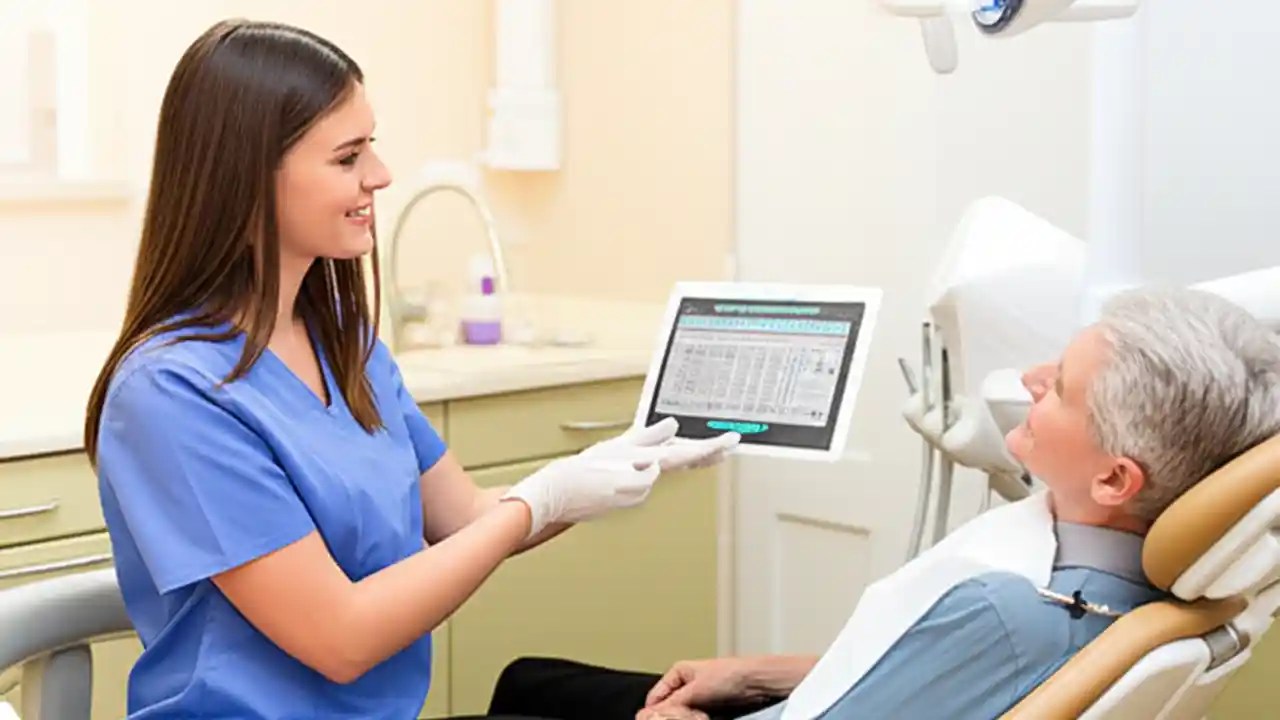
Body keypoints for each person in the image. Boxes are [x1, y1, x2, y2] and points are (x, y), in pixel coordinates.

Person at [82, 19, 738, 720]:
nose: (381, 175)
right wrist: (541, 499)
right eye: (347, 157)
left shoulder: (344, 347)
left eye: (372, 146)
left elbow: (466, 520)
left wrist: (602, 473)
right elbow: (341, 637)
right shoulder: (170, 395)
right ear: (246, 178)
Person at [480, 286, 1280, 720]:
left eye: (1061, 387)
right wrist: (755, 672)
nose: (1032, 378)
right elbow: (921, 678)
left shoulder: (1013, 610)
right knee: (531, 678)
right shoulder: (1137, 584)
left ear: (1115, 480)